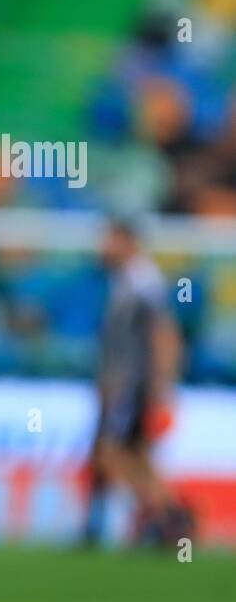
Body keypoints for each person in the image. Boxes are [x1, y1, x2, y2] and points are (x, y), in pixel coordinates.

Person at [83, 215, 192, 548]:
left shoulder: (142, 281)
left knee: (112, 453)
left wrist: (161, 386)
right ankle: (164, 520)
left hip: (133, 385)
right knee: (134, 454)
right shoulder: (126, 279)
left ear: (128, 242)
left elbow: (163, 334)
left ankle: (170, 513)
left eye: (111, 239)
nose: (103, 247)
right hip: (127, 383)